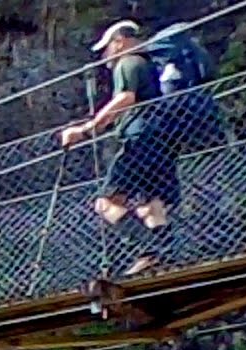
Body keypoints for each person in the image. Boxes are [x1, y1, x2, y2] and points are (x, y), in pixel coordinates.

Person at [59, 20, 178, 239]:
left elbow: (125, 98)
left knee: (105, 203)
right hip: (164, 138)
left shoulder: (128, 62)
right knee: (151, 204)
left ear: (119, 42)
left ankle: (148, 246)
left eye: (106, 49)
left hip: (140, 138)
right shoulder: (150, 64)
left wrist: (86, 130)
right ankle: (158, 257)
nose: (105, 56)